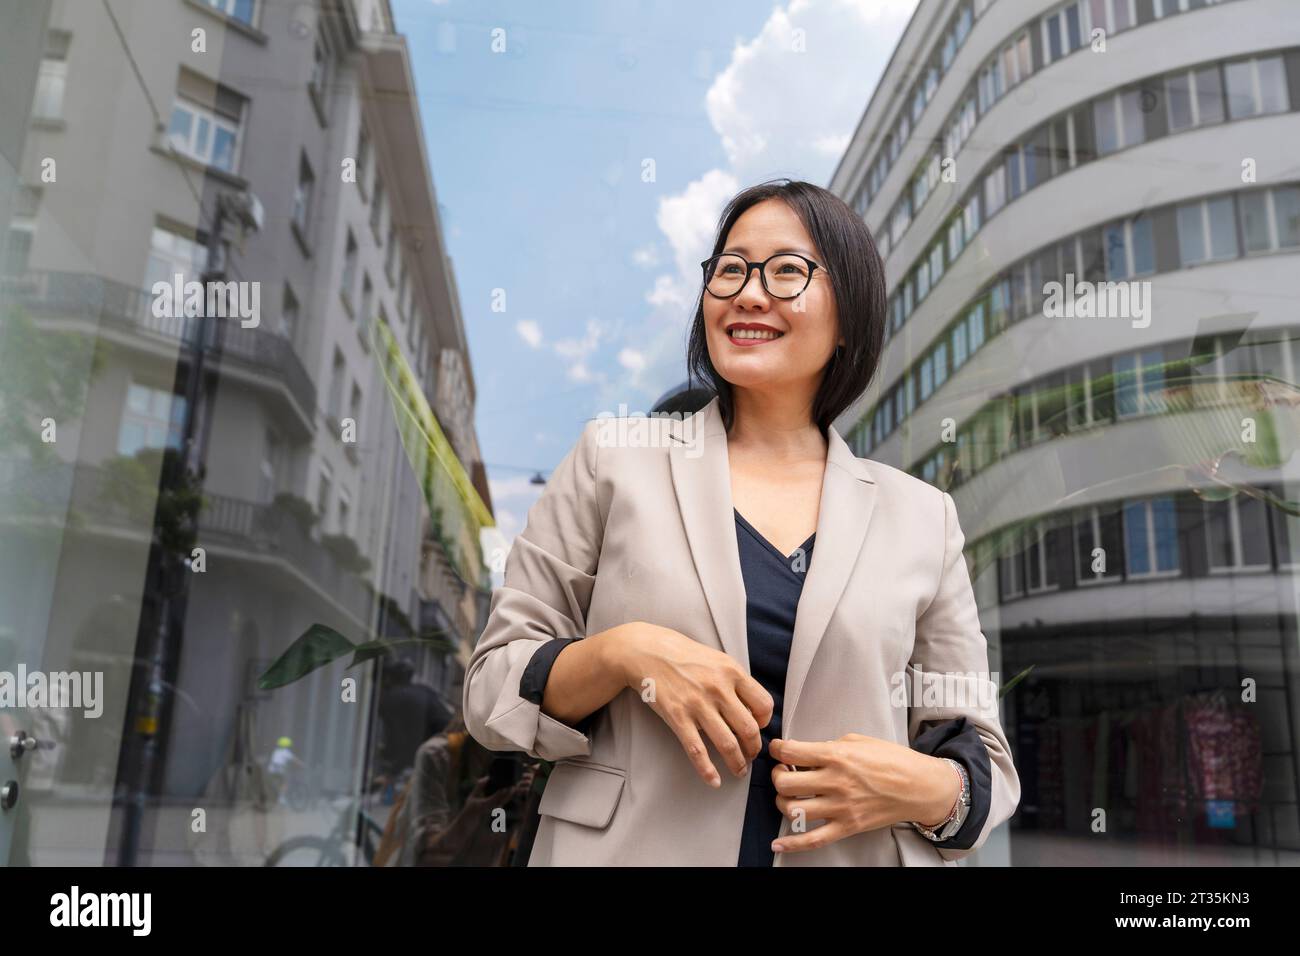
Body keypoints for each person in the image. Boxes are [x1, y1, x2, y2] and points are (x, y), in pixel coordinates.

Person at [463, 179, 1021, 866]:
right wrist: (624, 653)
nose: (748, 293)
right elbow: (492, 688)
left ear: (849, 315)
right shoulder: (612, 461)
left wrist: (923, 786)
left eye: (787, 271)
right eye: (730, 269)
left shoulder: (922, 519)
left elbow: (981, 758)